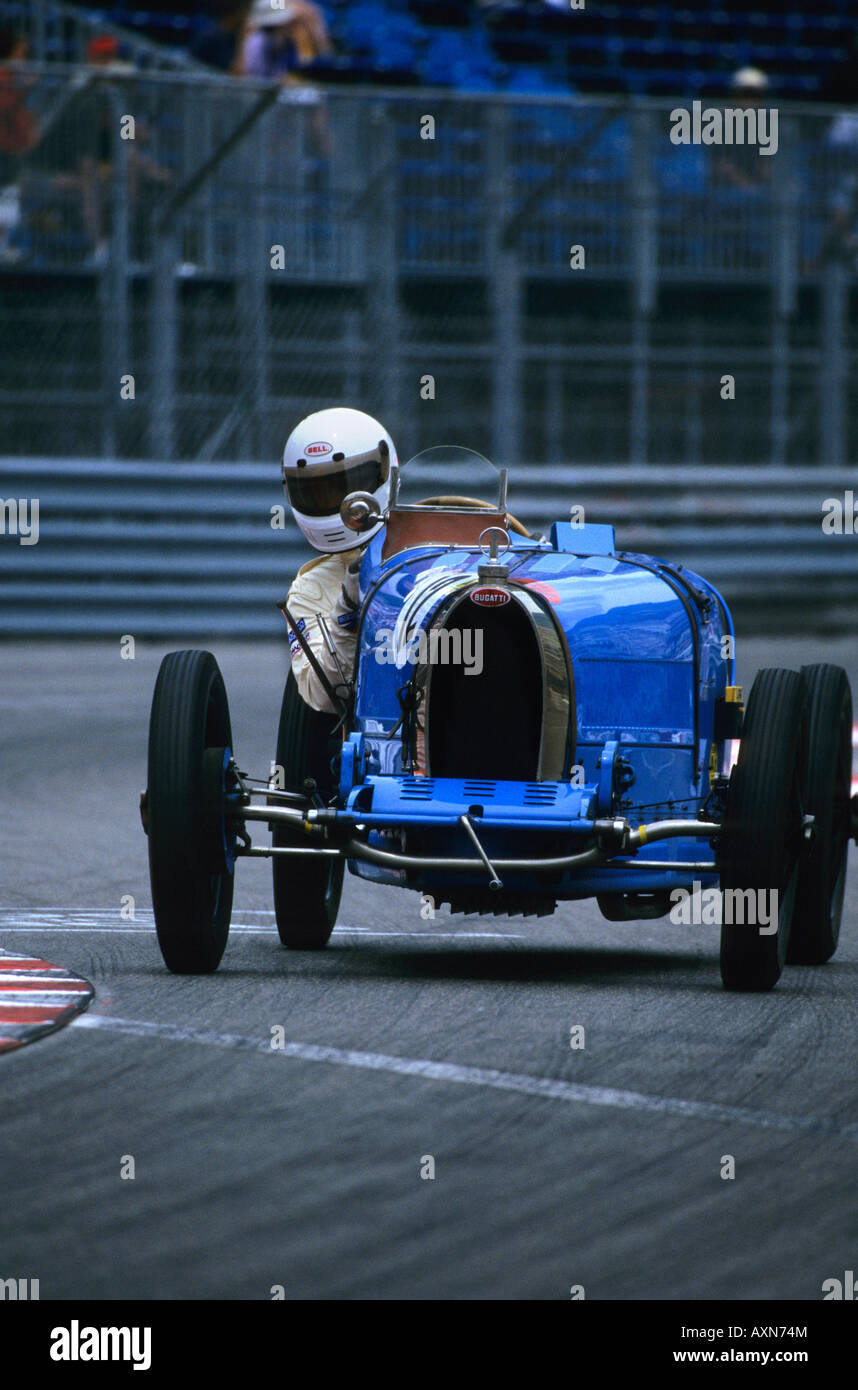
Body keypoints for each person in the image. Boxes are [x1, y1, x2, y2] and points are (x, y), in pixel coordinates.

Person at [281, 407, 397, 713]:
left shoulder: (436, 554)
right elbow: (322, 695)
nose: (336, 503)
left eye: (347, 486)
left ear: (383, 471)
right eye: (319, 492)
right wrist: (346, 614)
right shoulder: (312, 587)